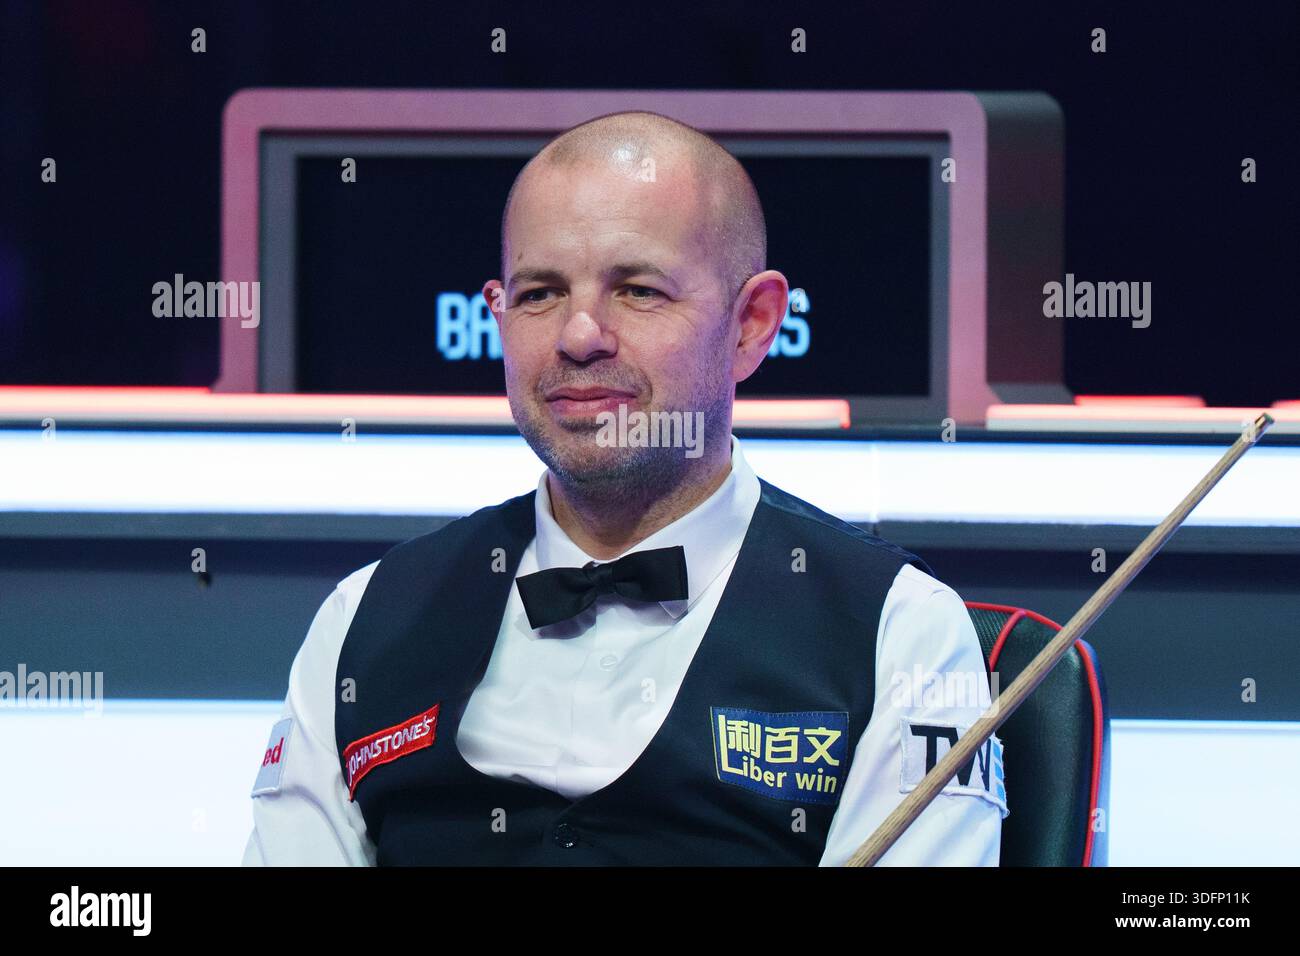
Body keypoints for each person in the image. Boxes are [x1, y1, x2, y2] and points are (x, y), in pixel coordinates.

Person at [241, 110, 1006, 866]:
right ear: (499, 320)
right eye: (539, 293)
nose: (579, 336)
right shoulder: (363, 620)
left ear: (752, 325)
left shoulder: (900, 633)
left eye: (637, 290)